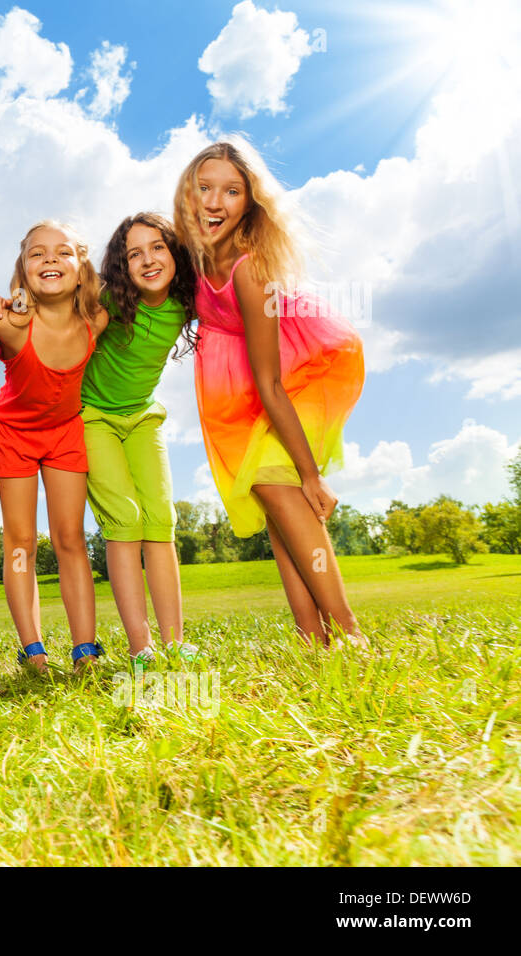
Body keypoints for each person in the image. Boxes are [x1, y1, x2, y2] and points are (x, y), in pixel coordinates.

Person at [174, 140, 364, 644]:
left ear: (249, 202)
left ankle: (350, 635)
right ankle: (312, 640)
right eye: (204, 188)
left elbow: (271, 381)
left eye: (231, 191)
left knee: (289, 492)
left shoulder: (249, 268)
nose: (214, 202)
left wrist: (312, 475)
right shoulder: (192, 260)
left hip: (297, 374)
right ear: (187, 196)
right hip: (235, 392)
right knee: (275, 506)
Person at [0, 221, 109, 673]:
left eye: (63, 253)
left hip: (65, 433)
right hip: (14, 435)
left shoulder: (98, 318)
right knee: (21, 542)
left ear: (80, 268)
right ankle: (33, 650)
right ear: (23, 269)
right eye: (37, 254)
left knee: (71, 538)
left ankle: (85, 649)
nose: (50, 259)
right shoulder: (11, 322)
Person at [86, 213, 200, 666]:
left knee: (160, 518)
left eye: (158, 247)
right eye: (135, 253)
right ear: (122, 265)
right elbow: (68, 328)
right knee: (125, 520)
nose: (148, 260)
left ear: (175, 253)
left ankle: (174, 641)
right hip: (93, 416)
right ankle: (142, 647)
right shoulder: (112, 300)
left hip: (142, 418)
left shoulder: (187, 300)